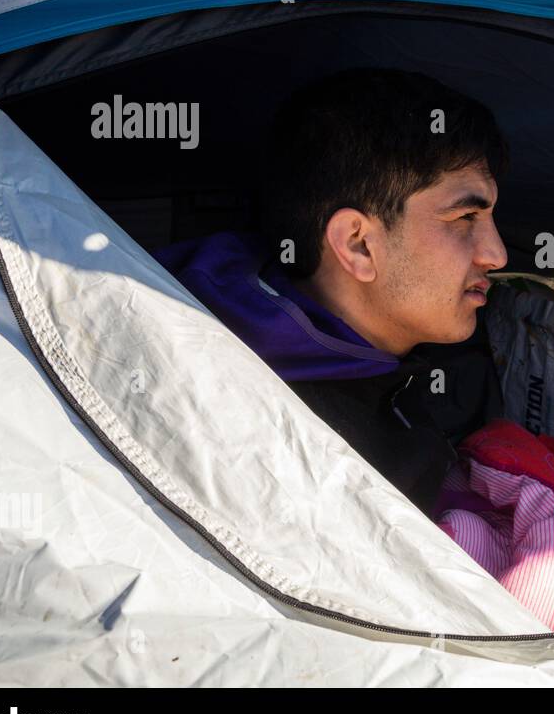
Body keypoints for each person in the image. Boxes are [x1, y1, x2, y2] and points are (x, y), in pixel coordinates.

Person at [158, 68, 509, 513]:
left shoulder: (365, 369)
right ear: (358, 244)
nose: (496, 255)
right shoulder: (277, 443)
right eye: (464, 219)